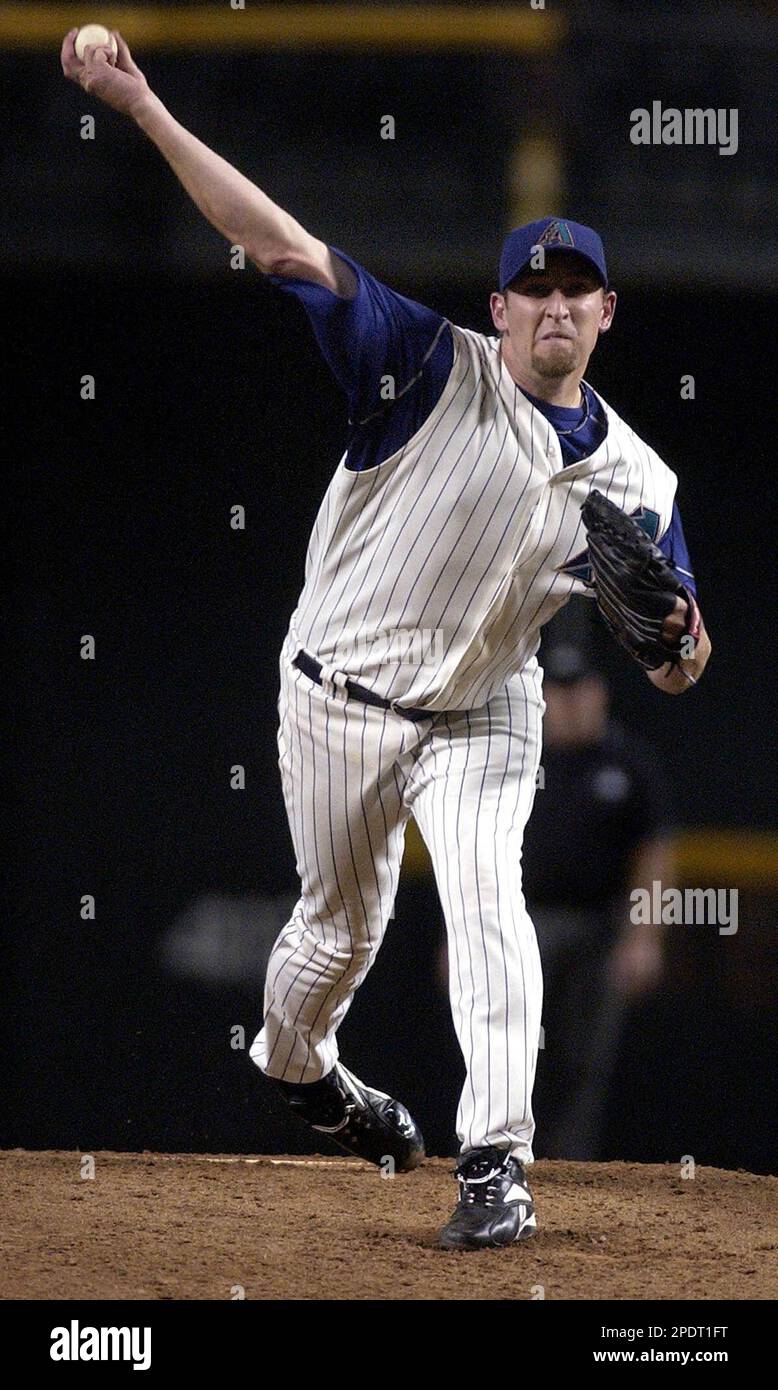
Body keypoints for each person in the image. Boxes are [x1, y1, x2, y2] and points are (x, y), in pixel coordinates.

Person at [62, 31, 711, 1250]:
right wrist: (143, 107)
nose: (555, 304)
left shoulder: (641, 477)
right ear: (500, 304)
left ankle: (496, 1163)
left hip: (483, 709)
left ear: (606, 311)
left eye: (578, 289)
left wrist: (674, 638)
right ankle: (306, 1073)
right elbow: (279, 241)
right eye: (536, 288)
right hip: (337, 698)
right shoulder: (419, 363)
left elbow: (685, 661)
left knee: (486, 901)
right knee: (333, 935)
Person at [522, 642, 675, 1161]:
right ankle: (505, 1160)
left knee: (585, 1060)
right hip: (522, 930)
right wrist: (462, 935)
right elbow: (468, 851)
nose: (568, 703)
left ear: (599, 694)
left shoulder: (628, 762)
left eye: (578, 690)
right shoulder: (515, 761)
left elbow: (654, 857)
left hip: (598, 929)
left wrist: (644, 937)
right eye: (556, 691)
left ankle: (570, 1170)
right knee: (509, 1052)